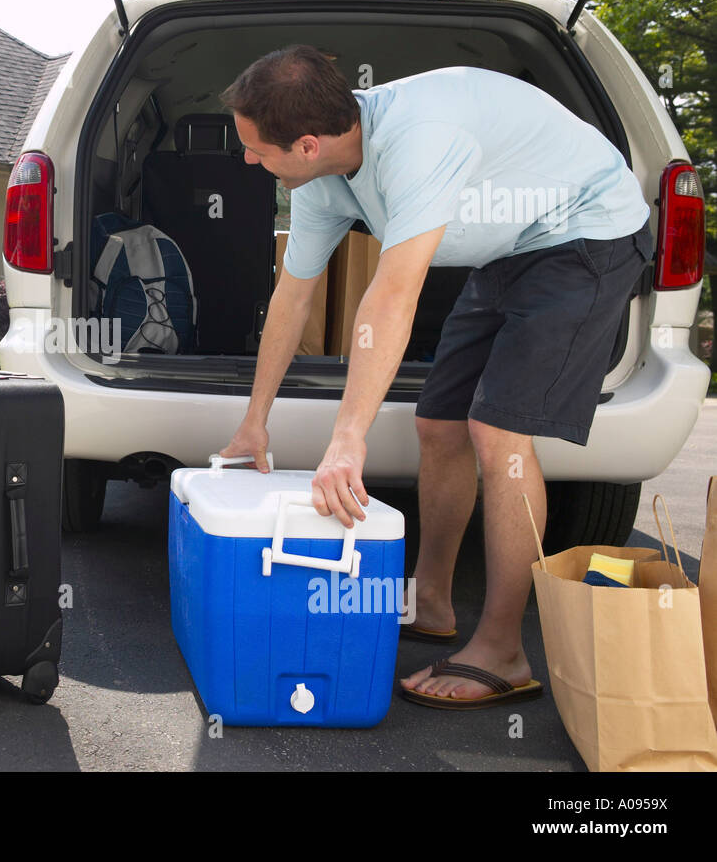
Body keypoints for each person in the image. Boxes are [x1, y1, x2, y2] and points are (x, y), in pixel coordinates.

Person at [217, 45, 651, 710]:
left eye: (257, 150)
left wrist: (348, 438)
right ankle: (432, 601)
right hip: (510, 245)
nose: (249, 160)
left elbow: (393, 295)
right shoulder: (318, 179)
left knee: (496, 430)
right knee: (437, 421)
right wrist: (255, 422)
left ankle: (504, 649)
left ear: (307, 144)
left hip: (585, 233)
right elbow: (292, 298)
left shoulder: (418, 139)